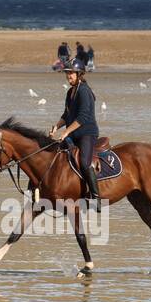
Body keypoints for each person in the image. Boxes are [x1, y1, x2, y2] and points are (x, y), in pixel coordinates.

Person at [49, 60, 100, 211]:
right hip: (73, 133)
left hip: (87, 133)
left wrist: (66, 132)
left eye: (70, 73)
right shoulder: (70, 92)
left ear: (79, 74)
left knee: (84, 162)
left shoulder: (84, 91)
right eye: (67, 73)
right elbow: (67, 115)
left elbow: (83, 117)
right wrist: (56, 127)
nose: (68, 76)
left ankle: (96, 197)